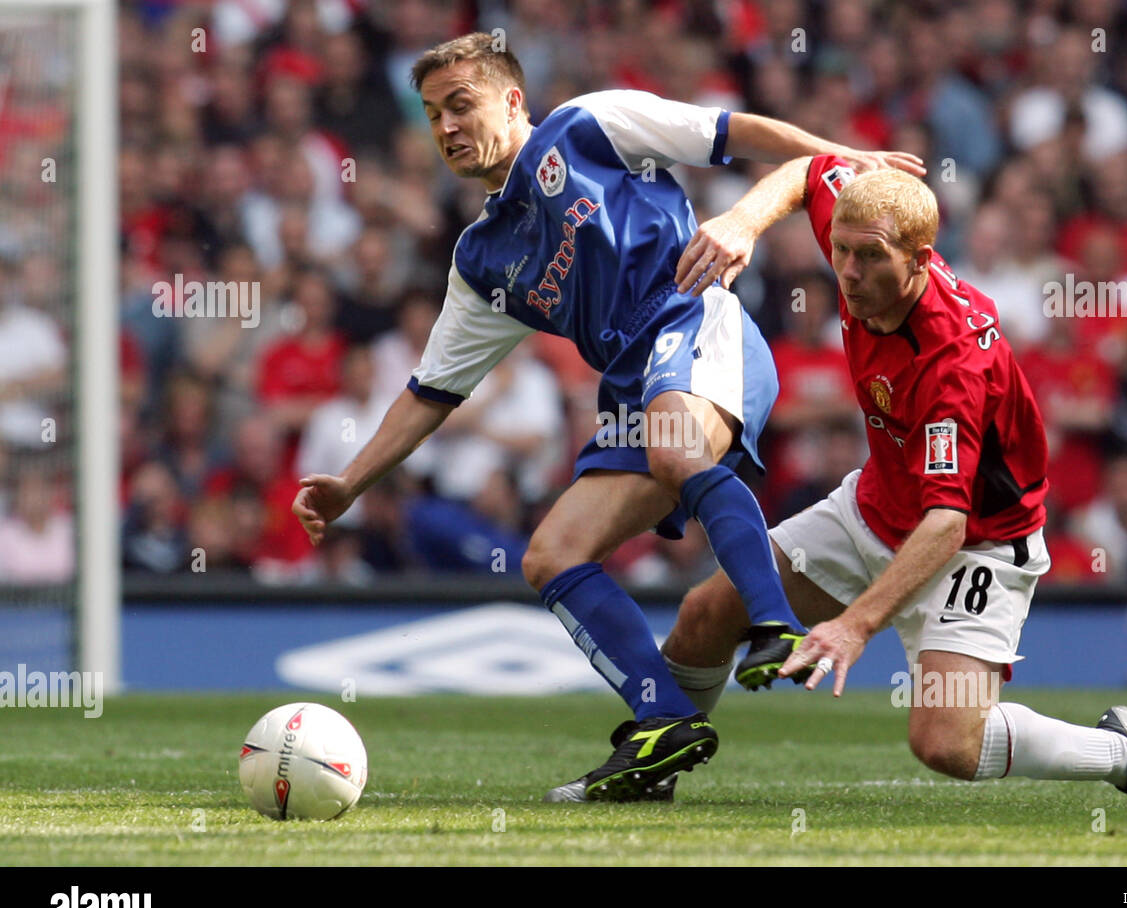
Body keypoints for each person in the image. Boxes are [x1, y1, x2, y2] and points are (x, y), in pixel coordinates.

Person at [291, 33, 924, 802]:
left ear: (513, 101)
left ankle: (772, 627)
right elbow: (430, 390)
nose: (447, 128)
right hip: (633, 389)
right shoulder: (484, 259)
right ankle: (663, 718)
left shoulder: (590, 125)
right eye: (432, 115)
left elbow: (730, 134)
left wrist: (842, 159)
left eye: (462, 105)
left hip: (697, 324)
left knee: (675, 444)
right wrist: (351, 484)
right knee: (550, 554)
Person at [662, 156, 1127, 805]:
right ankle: (656, 761)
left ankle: (1124, 753)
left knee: (948, 744)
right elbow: (812, 170)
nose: (847, 272)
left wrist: (853, 627)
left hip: (976, 543)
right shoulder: (864, 238)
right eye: (839, 250)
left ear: (921, 260)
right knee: (707, 611)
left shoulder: (953, 363)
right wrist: (741, 222)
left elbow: (947, 523)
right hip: (874, 507)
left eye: (867, 257)